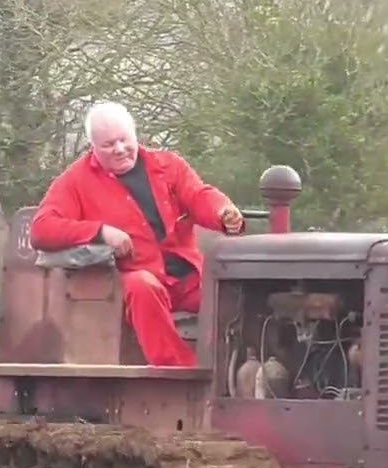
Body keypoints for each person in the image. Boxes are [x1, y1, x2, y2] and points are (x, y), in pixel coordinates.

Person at [28, 101, 244, 367]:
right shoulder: (75, 181)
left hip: (186, 279)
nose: (119, 149)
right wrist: (100, 232)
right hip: (132, 280)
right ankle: (180, 371)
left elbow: (198, 195)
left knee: (234, 297)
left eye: (124, 140)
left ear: (134, 133)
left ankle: (236, 368)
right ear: (92, 146)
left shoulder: (169, 166)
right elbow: (41, 228)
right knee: (143, 287)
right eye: (108, 145)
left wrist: (223, 212)